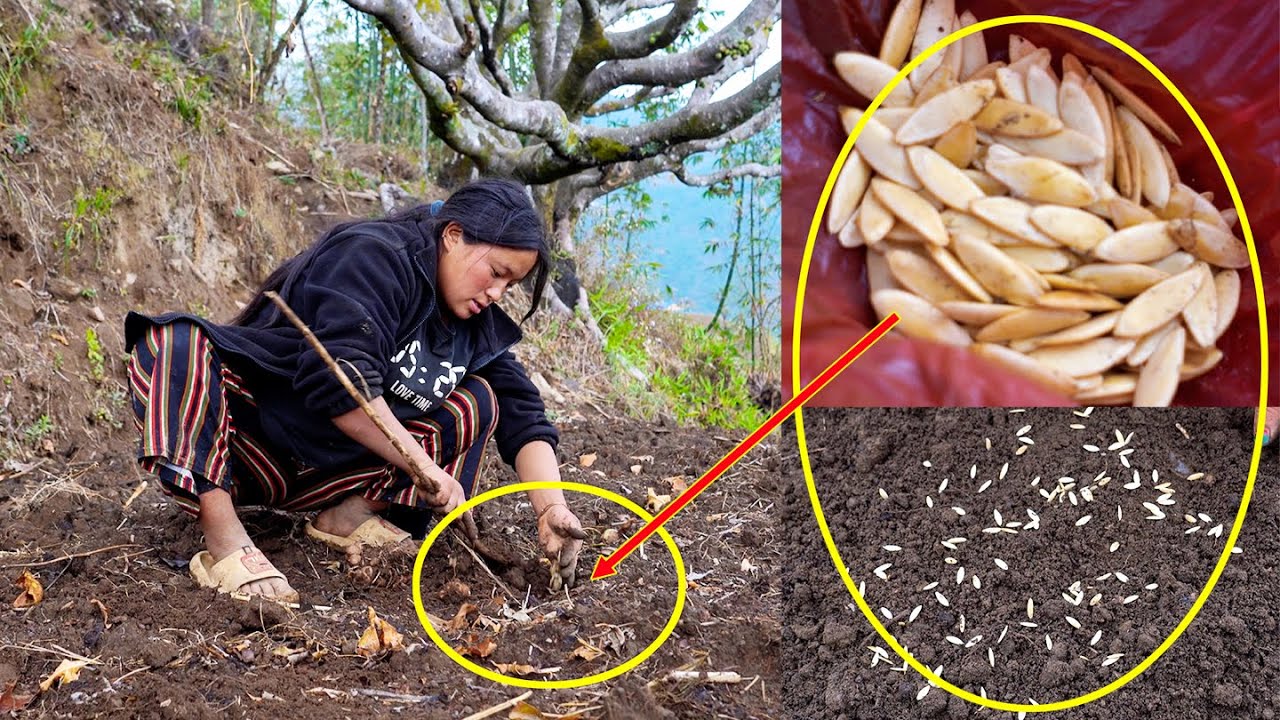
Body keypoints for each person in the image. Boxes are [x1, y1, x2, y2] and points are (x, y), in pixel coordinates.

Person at [123, 179, 585, 602]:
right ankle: (224, 542)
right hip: (249, 449)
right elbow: (342, 381)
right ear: (453, 235)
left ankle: (348, 518)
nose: (499, 293)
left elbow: (521, 411)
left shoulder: (473, 323)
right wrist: (423, 466)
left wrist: (551, 509)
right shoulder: (372, 258)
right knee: (174, 342)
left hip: (333, 474)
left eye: (511, 284)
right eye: (497, 272)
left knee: (480, 398)